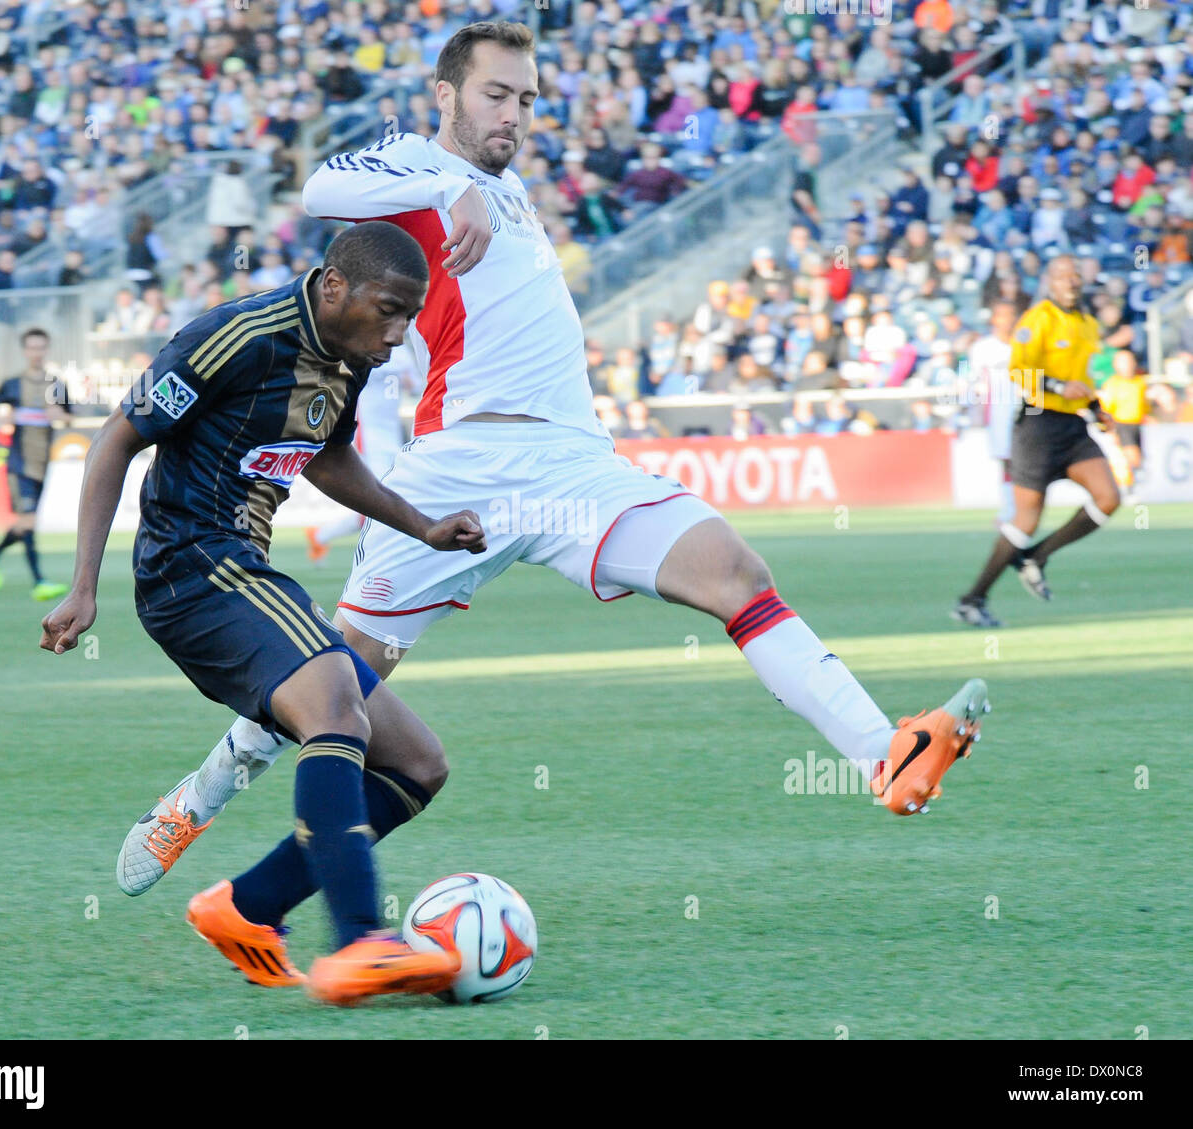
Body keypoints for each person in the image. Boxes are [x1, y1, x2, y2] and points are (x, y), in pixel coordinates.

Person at [127, 20, 991, 899]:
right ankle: (200, 798)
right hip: (458, 465)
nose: (514, 115)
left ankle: (884, 751)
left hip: (573, 465)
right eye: (495, 95)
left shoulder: (512, 190)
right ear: (445, 96)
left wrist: (471, 187)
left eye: (527, 100)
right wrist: (445, 185)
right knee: (334, 689)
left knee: (734, 568)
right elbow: (317, 187)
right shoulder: (413, 177)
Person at [42, 222, 488, 1006]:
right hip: (189, 567)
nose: (397, 334)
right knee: (335, 714)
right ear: (334, 286)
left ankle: (248, 907)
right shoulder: (237, 336)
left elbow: (326, 454)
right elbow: (117, 438)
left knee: (419, 765)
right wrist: (84, 585)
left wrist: (421, 525)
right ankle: (359, 944)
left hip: (247, 569)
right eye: (388, 310)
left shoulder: (350, 358)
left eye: (410, 317)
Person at [954, 256, 1121, 626]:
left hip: (1073, 425)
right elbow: (1019, 371)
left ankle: (1036, 557)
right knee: (1026, 518)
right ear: (1050, 281)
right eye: (1063, 275)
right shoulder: (1038, 319)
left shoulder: (1089, 325)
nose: (1072, 281)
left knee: (1109, 497)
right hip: (1037, 424)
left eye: (1076, 274)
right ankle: (972, 599)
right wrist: (1060, 387)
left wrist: (1096, 408)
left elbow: (1082, 377)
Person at [306, 342, 420, 564]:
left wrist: (408, 381)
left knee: (390, 496)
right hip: (366, 433)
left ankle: (320, 535)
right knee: (377, 498)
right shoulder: (365, 341)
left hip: (391, 435)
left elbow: (416, 385)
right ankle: (382, 555)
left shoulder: (401, 349)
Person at [0, 327, 73, 601]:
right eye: (32, 348)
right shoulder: (12, 384)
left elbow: (70, 417)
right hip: (19, 463)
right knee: (29, 521)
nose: (36, 353)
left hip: (42, 462)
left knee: (24, 524)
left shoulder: (56, 384)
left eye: (41, 347)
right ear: (25, 351)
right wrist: (1, 419)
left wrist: (61, 415)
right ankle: (39, 582)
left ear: (47, 350)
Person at [964, 300, 1020, 537]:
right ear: (994, 320)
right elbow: (971, 379)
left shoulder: (1024, 345)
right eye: (1003, 315)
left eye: (1012, 315)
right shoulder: (983, 348)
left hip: (1026, 408)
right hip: (998, 411)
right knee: (1007, 460)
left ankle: (1022, 508)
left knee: (1025, 460)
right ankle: (1009, 510)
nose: (1008, 320)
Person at [1098, 349, 1148, 495]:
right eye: (1123, 362)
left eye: (1129, 361)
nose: (1128, 365)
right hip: (1121, 424)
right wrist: (1110, 428)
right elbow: (1107, 408)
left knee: (1137, 458)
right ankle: (1127, 489)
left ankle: (1132, 487)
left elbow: (1144, 405)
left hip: (1136, 424)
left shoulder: (1140, 382)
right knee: (1130, 457)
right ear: (1115, 365)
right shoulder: (1113, 384)